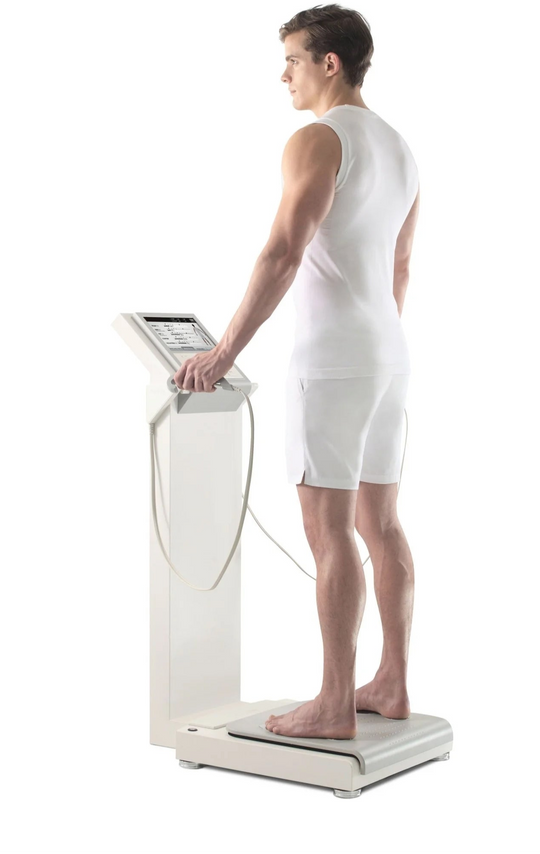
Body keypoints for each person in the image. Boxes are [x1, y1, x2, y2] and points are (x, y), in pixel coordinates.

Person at [173, 4, 419, 740]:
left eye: (292, 59)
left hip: (334, 360)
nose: (283, 75)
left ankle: (333, 703)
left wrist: (223, 353)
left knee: (328, 530)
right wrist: (379, 344)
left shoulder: (319, 138)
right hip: (387, 354)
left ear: (328, 63)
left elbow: (283, 252)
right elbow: (401, 265)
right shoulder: (400, 148)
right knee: (382, 525)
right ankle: (391, 682)